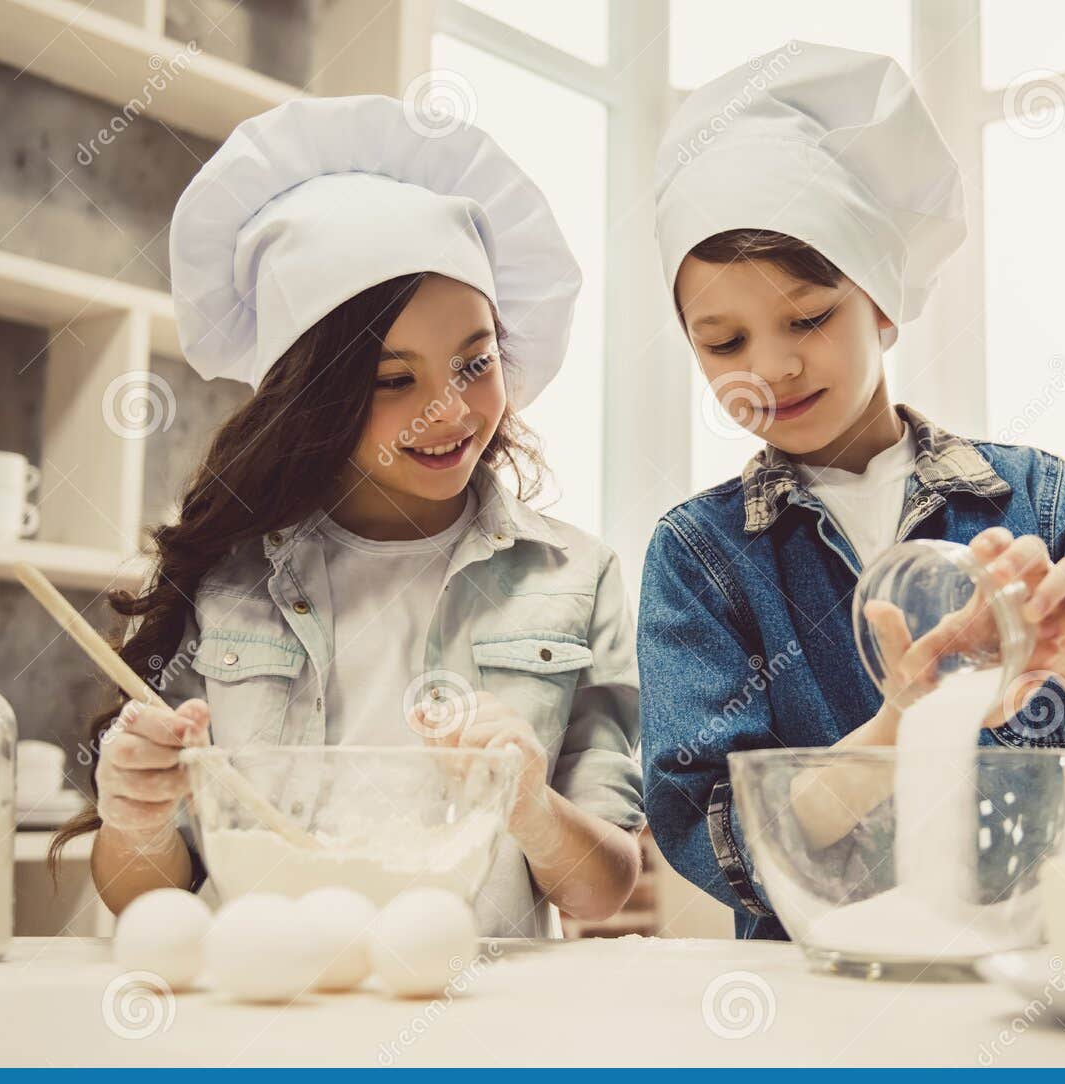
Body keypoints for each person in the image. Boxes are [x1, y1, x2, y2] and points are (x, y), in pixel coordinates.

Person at [637, 45, 1065, 940]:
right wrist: (901, 723)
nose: (770, 367)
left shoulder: (1043, 504)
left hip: (1056, 971)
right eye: (724, 342)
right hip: (830, 1000)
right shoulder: (702, 558)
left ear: (884, 301)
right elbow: (721, 837)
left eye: (809, 318)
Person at [53, 95, 644, 938]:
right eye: (392, 381)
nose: (448, 413)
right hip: (266, 1024)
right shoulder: (227, 578)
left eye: (475, 362)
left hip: (473, 1035)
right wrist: (136, 814)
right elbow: (145, 896)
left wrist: (531, 809)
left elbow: (603, 888)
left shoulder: (574, 579)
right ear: (313, 400)